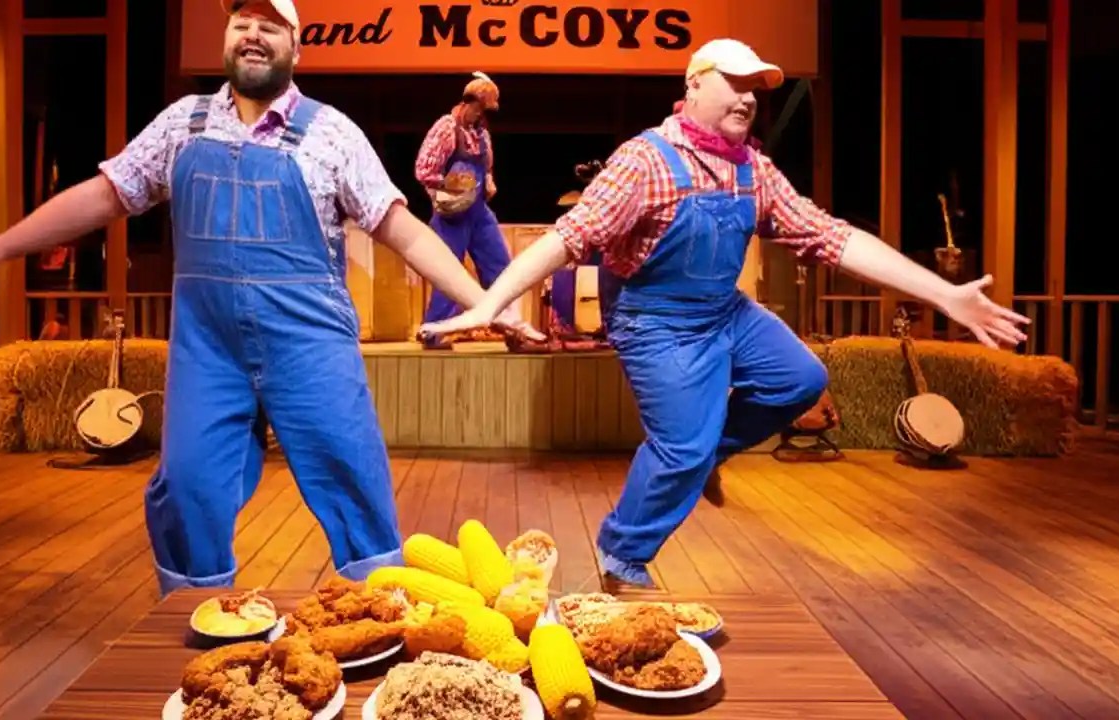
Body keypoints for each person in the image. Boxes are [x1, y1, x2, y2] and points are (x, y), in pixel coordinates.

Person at [0, 0, 531, 597]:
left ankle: (378, 610)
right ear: (227, 38)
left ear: (297, 48)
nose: (253, 34)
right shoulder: (182, 124)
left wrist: (484, 304)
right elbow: (102, 196)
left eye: (271, 25)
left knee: (352, 475)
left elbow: (404, 230)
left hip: (309, 344)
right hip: (209, 349)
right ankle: (197, 616)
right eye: (242, 22)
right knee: (187, 488)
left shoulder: (333, 134)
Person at [418, 38, 1029, 588]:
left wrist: (942, 293)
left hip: (724, 310)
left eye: (755, 88)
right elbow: (568, 237)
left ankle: (707, 454)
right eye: (734, 82)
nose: (748, 97)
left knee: (801, 379)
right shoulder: (645, 160)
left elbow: (831, 236)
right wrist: (492, 303)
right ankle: (622, 553)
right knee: (680, 449)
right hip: (654, 320)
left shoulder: (752, 168)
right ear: (693, 86)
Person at [413, 72, 545, 350]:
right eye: (480, 109)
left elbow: (486, 168)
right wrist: (449, 187)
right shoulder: (446, 127)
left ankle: (514, 331)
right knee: (448, 274)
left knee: (502, 269)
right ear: (470, 102)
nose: (482, 115)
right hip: (451, 216)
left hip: (478, 211)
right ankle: (434, 333)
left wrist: (488, 181)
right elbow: (424, 169)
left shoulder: (481, 133)